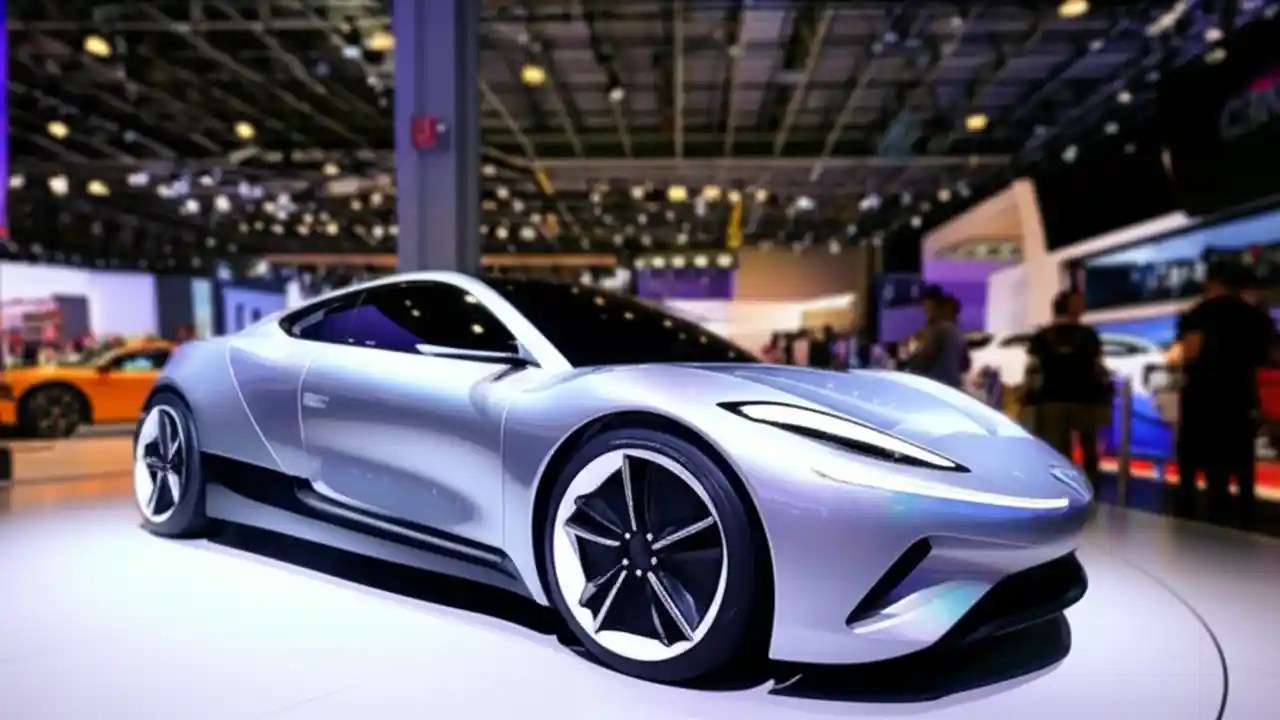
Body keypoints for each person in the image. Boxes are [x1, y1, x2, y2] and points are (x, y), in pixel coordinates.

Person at [1176, 262, 1275, 526]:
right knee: (1242, 461)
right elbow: (1268, 357)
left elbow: (1190, 353)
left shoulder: (1198, 313)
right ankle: (1245, 514)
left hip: (1203, 397)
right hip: (1241, 395)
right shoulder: (1257, 317)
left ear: (1212, 283)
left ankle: (1211, 518)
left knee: (1206, 461)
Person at [1026, 290, 1107, 485]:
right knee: (1089, 448)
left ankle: (1062, 487)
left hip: (1051, 400)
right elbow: (1097, 367)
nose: (1083, 305)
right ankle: (1090, 487)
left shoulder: (1041, 336)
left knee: (1058, 450)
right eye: (1078, 302)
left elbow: (1033, 370)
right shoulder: (1088, 335)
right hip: (1084, 399)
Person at [904, 286, 966, 387]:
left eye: (928, 307)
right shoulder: (957, 332)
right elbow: (965, 364)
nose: (926, 311)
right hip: (953, 386)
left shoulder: (938, 329)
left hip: (937, 385)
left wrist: (908, 368)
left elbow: (925, 357)